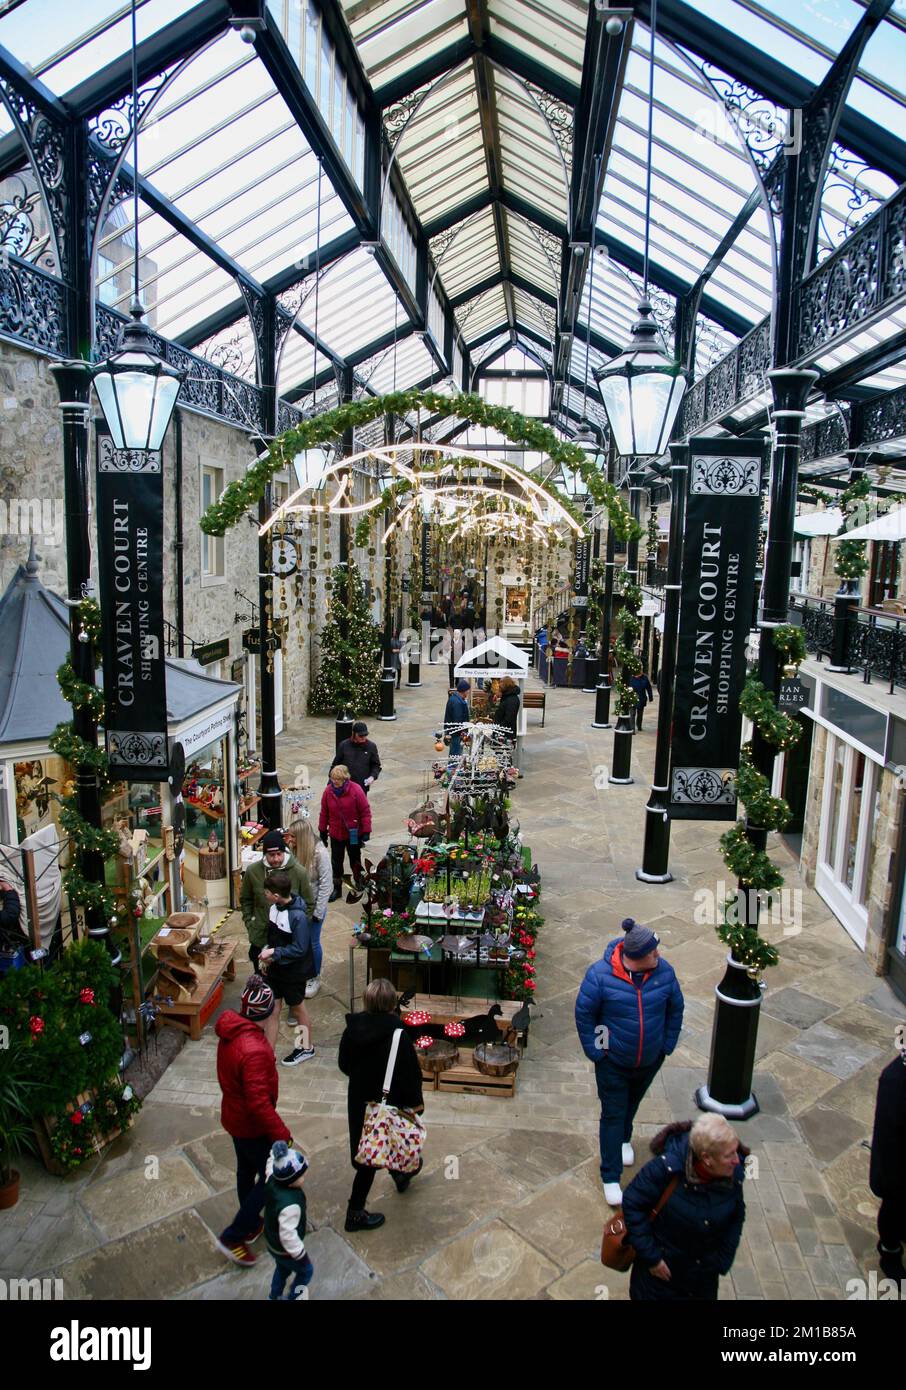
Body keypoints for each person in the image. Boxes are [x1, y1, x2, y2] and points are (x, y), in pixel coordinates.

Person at [575, 916, 684, 1205]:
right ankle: (610, 1176)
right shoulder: (599, 976)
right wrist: (598, 1052)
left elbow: (676, 1008)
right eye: (653, 952)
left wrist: (666, 1045)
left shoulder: (664, 973)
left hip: (649, 1059)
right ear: (635, 957)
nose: (658, 955)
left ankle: (625, 1139)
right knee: (612, 1113)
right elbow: (586, 1014)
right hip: (613, 1063)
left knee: (631, 1104)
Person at [622, 1116, 746, 1301]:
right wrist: (652, 1258)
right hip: (659, 1285)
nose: (737, 1160)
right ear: (707, 1159)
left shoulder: (732, 1174)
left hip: (702, 1283)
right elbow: (632, 1204)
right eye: (729, 1155)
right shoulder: (665, 1170)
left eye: (736, 1152)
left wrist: (723, 1259)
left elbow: (737, 1214)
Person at [215, 976, 294, 1267]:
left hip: (234, 1118)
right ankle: (234, 1235)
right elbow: (259, 1103)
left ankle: (250, 1225)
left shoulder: (231, 1033)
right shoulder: (255, 1051)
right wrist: (282, 1135)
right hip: (251, 1125)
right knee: (274, 1177)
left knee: (246, 1172)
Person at [338, 977, 424, 1232]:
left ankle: (399, 1174)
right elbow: (410, 1076)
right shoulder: (398, 1035)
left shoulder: (352, 1030)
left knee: (370, 1147)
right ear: (391, 1004)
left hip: (359, 1101)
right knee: (371, 1157)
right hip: (389, 1103)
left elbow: (344, 1065)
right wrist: (416, 1106)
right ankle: (354, 1213)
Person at [259, 871, 315, 1066]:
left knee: (298, 1009)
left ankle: (306, 1047)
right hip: (276, 969)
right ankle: (268, 1054)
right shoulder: (274, 908)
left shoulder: (298, 917)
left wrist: (274, 952)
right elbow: (273, 937)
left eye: (266, 892)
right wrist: (268, 957)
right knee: (273, 1010)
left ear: (276, 895)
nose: (264, 894)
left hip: (293, 972)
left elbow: (300, 948)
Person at [240, 830, 314, 973]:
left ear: (284, 852)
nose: (275, 859)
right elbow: (245, 899)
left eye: (279, 854)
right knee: (261, 980)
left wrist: (299, 928)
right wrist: (250, 923)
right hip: (260, 936)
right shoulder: (253, 872)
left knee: (286, 984)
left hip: (287, 942)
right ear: (264, 854)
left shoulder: (299, 873)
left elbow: (309, 904)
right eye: (271, 855)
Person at [869, 1045, 906, 1282]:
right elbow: (889, 1139)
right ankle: (889, 1251)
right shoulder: (896, 1081)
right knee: (896, 1203)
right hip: (898, 1167)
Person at [264, 1140, 313, 1301]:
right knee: (306, 1271)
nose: (304, 1178)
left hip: (272, 1242)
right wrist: (300, 1254)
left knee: (282, 1269)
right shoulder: (290, 1205)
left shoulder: (272, 1178)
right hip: (285, 1249)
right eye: (302, 1176)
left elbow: (270, 1165)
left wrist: (275, 1153)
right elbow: (288, 1235)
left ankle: (274, 1295)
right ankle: (294, 1296)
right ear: (291, 1181)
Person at [289, 818, 332, 999]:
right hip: (297, 906)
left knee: (312, 942)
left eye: (292, 836)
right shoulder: (294, 851)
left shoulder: (320, 853)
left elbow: (326, 885)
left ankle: (314, 976)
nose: (289, 839)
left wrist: (318, 912)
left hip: (314, 906)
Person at [319, 765, 371, 903]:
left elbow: (365, 811)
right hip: (336, 833)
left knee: (355, 858)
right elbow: (324, 813)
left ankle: (358, 880)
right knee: (336, 862)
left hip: (353, 833)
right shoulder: (328, 792)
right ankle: (337, 888)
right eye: (332, 778)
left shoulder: (356, 790)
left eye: (337, 779)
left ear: (345, 779)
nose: (334, 781)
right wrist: (322, 831)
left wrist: (366, 830)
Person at [332, 721, 382, 794]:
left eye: (365, 735)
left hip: (361, 786)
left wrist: (372, 776)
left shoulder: (371, 746)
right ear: (354, 734)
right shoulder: (344, 745)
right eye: (361, 736)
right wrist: (331, 782)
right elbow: (335, 765)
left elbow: (376, 765)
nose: (363, 738)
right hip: (344, 785)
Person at [444, 677, 470, 757]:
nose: (468, 692)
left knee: (453, 754)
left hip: (453, 733)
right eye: (468, 691)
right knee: (455, 756)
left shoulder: (454, 699)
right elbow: (457, 721)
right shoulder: (458, 703)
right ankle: (452, 769)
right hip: (456, 735)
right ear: (464, 691)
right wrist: (463, 733)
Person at [494, 676, 520, 743]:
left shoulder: (512, 699)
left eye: (501, 685)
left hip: (506, 733)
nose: (499, 686)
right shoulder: (507, 696)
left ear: (506, 685)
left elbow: (509, 718)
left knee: (502, 752)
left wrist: (499, 728)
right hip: (503, 732)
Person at [629, 666, 655, 731]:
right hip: (632, 698)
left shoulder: (644, 678)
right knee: (632, 714)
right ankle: (632, 728)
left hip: (641, 698)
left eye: (641, 670)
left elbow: (649, 688)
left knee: (640, 714)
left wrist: (650, 697)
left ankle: (639, 725)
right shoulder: (631, 678)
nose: (640, 671)